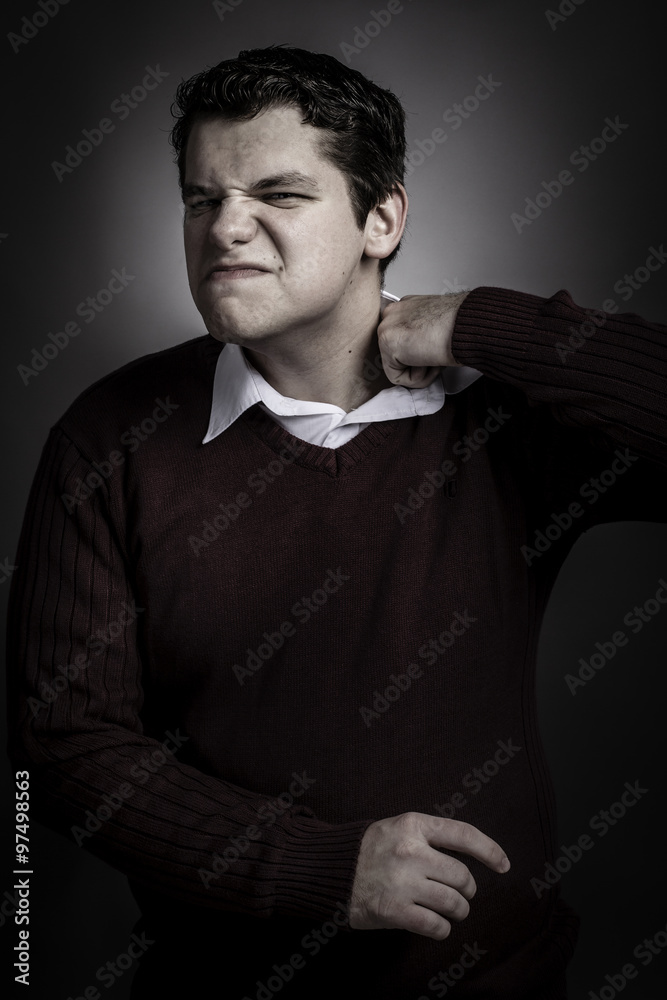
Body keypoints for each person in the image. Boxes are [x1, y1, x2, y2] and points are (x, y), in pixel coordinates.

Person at [6, 45, 666, 1000]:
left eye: (278, 194)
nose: (226, 227)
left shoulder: (506, 419)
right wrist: (319, 869)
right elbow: (63, 748)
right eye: (201, 199)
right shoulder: (111, 436)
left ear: (381, 219)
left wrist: (486, 324)